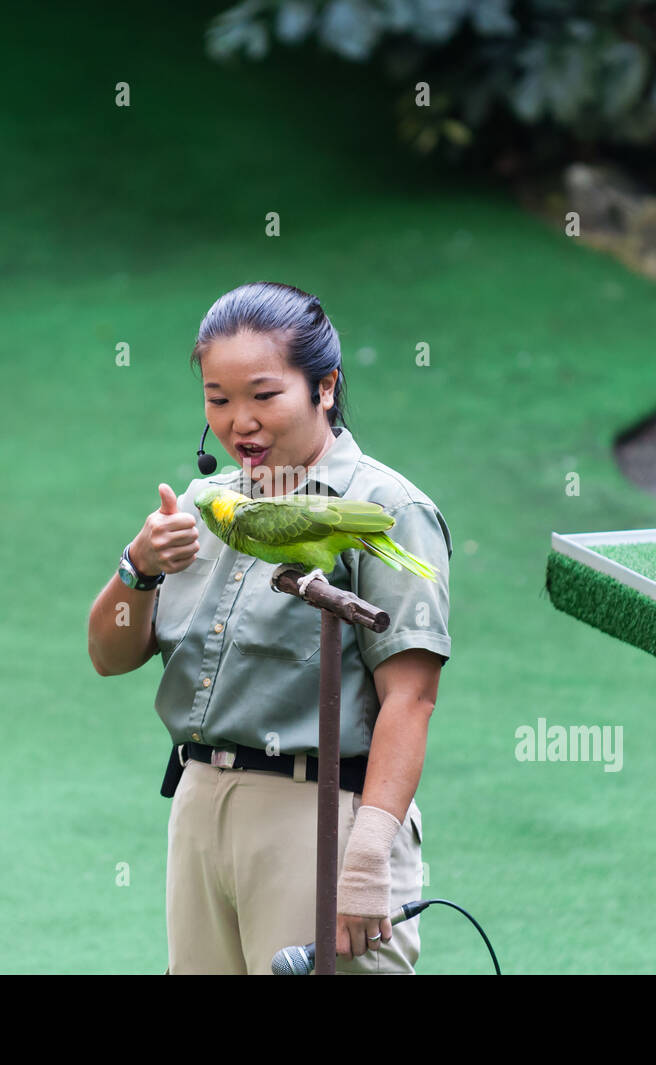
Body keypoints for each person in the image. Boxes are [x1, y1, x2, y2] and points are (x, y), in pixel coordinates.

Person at [87, 282, 452, 974]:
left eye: (263, 395)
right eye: (218, 399)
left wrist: (370, 851)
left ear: (325, 386)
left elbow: (411, 697)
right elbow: (109, 655)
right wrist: (137, 565)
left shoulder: (386, 506)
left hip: (318, 812)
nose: (240, 422)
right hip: (199, 804)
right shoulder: (204, 504)